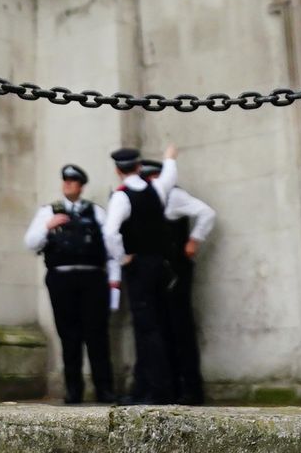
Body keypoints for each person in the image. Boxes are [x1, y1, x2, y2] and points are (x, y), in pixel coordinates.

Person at [22, 164, 113, 405]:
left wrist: (114, 282)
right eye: (66, 181)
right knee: (68, 334)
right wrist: (47, 226)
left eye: (73, 182)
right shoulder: (48, 211)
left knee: (97, 335)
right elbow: (30, 242)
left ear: (81, 186)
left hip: (92, 278)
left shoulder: (96, 212)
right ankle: (74, 390)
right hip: (61, 278)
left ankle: (105, 389)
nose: (68, 184)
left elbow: (111, 246)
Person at [102, 145, 178, 405]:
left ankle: (153, 390)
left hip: (139, 267)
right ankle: (150, 387)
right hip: (160, 264)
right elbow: (169, 176)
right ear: (138, 166)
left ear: (117, 170)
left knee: (146, 328)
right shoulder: (155, 188)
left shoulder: (121, 196)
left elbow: (110, 233)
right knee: (159, 323)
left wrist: (122, 258)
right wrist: (169, 158)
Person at [137, 158, 216, 405]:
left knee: (180, 329)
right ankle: (168, 387)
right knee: (161, 329)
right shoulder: (148, 201)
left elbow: (206, 213)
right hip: (158, 273)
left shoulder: (174, 196)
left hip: (175, 271)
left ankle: (190, 389)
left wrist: (194, 240)